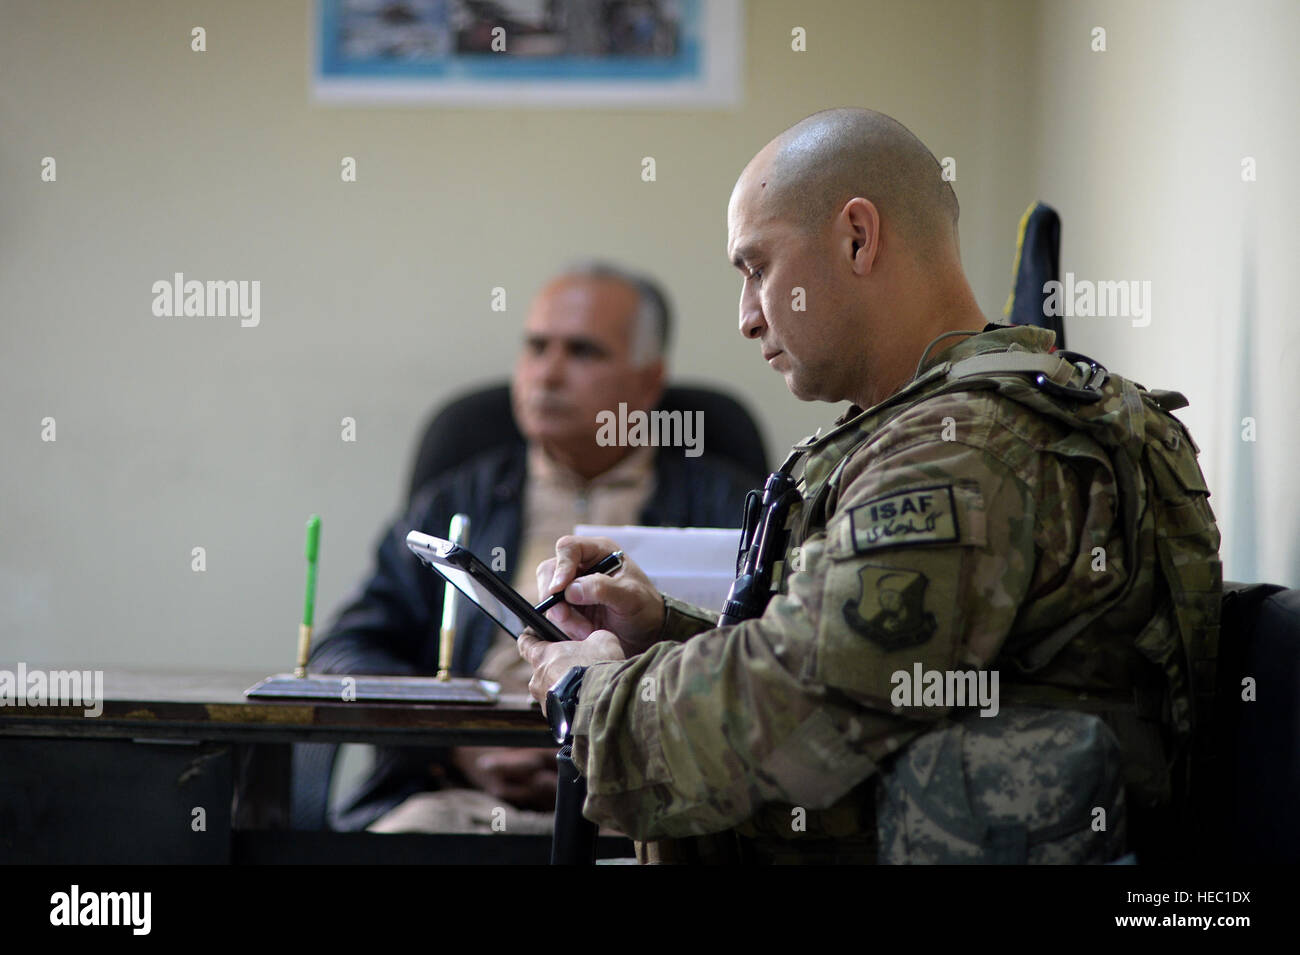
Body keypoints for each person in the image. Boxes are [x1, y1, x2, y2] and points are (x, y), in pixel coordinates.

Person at [518, 108, 1222, 864]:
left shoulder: (965, 450)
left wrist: (587, 694)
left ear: (857, 237)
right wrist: (661, 629)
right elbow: (873, 669)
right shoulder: (952, 425)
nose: (748, 317)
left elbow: (801, 707)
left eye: (758, 268)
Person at [311, 262, 758, 833]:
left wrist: (603, 739)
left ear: (648, 382)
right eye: (536, 347)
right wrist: (455, 743)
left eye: (582, 351)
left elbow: (754, 657)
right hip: (460, 802)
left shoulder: (728, 504)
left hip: (644, 808)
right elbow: (345, 649)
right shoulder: (459, 496)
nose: (546, 374)